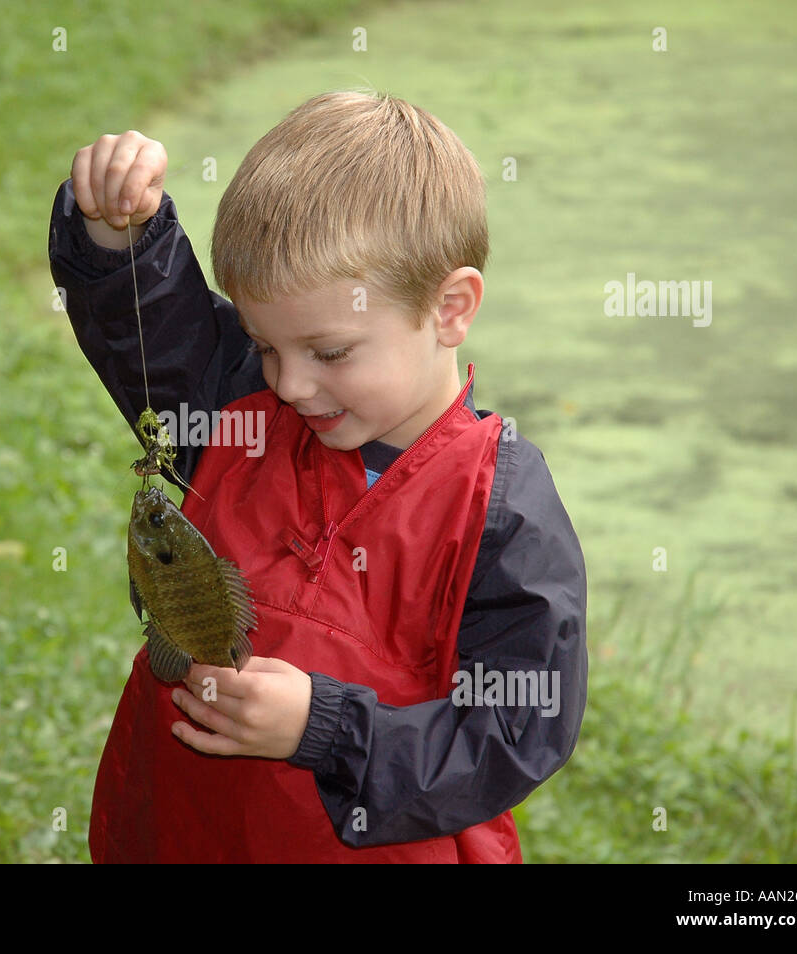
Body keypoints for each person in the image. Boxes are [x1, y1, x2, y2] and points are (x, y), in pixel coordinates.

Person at [47, 90, 588, 863]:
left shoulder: (501, 511)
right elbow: (155, 335)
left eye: (329, 352)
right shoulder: (240, 410)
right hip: (184, 833)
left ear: (450, 308)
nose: (290, 384)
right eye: (265, 344)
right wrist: (112, 239)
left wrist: (323, 727)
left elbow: (515, 730)